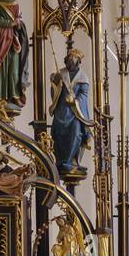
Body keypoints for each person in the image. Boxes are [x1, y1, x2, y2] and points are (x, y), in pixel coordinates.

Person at [50, 46, 91, 174]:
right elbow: (54, 90)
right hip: (61, 111)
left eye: (73, 62)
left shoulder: (83, 78)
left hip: (75, 113)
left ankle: (70, 161)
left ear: (78, 62)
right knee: (59, 136)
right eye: (68, 61)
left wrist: (75, 100)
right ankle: (61, 161)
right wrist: (56, 83)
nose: (70, 64)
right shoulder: (61, 74)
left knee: (76, 133)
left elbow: (84, 95)